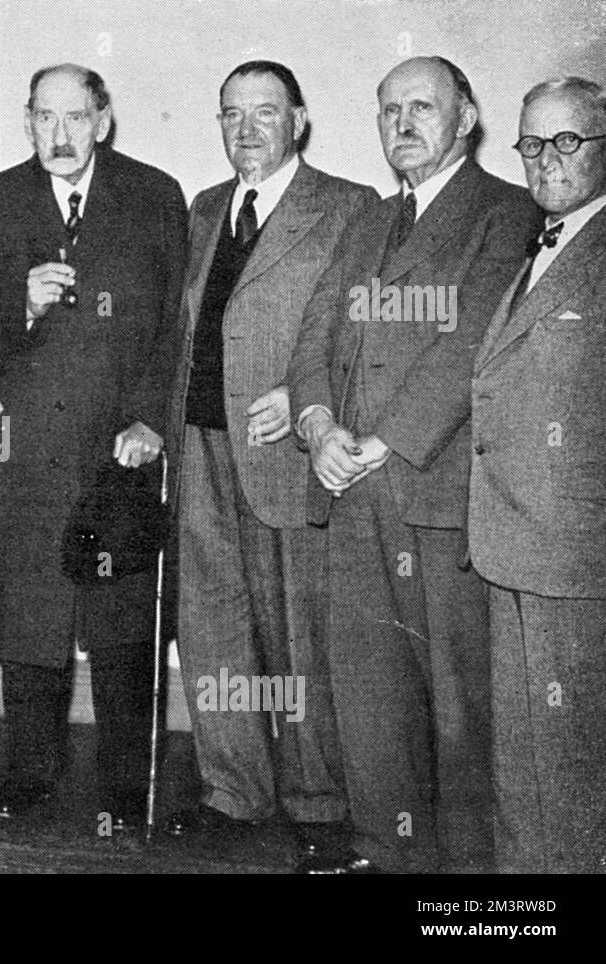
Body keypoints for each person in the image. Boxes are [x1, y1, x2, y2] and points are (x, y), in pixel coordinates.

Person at [287, 56, 541, 873]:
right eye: (388, 108)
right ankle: (383, 851)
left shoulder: (505, 213)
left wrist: (382, 441)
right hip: (352, 489)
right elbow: (316, 334)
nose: (403, 123)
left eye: (422, 107)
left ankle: (465, 881)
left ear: (466, 118)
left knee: (458, 703)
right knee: (369, 689)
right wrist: (319, 423)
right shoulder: (367, 219)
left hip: (435, 492)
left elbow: (471, 346)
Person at [0, 64, 187, 824]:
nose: (60, 135)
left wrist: (151, 420)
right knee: (27, 621)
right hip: (20, 452)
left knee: (120, 623)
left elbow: (172, 332)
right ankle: (28, 775)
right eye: (45, 119)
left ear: (104, 119)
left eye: (77, 118)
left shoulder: (154, 197)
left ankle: (126, 780)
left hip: (116, 453)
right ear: (26, 121)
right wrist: (16, 305)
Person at [163, 62, 377, 853]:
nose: (246, 129)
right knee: (213, 624)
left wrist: (302, 394)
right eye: (231, 114)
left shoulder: (350, 208)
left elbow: (361, 330)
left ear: (301, 119)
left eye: (264, 112)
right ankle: (232, 789)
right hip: (200, 444)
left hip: (282, 450)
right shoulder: (205, 208)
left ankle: (318, 802)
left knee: (299, 635)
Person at [470, 77, 606, 873]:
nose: (547, 159)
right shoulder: (543, 241)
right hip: (513, 545)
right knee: (522, 766)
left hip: (577, 557)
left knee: (575, 772)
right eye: (532, 143)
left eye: (568, 141)